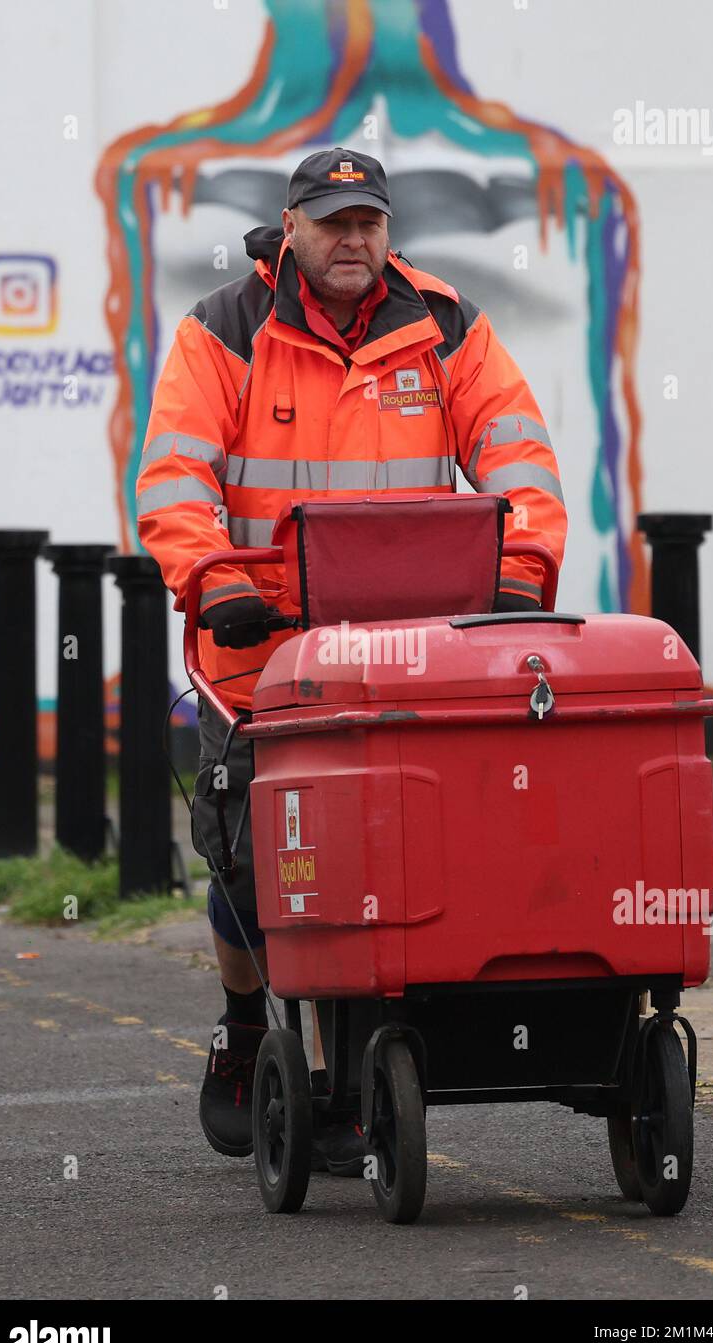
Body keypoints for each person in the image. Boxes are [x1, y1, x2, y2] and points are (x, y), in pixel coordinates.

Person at [137, 146, 567, 1173]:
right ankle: (249, 1026)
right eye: (332, 222)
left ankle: (362, 1061)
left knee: (401, 856)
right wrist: (213, 581)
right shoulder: (222, 330)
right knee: (248, 862)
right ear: (290, 228)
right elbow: (172, 480)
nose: (352, 240)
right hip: (261, 653)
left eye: (368, 221)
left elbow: (519, 455)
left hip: (409, 658)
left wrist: (520, 569)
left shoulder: (444, 324)